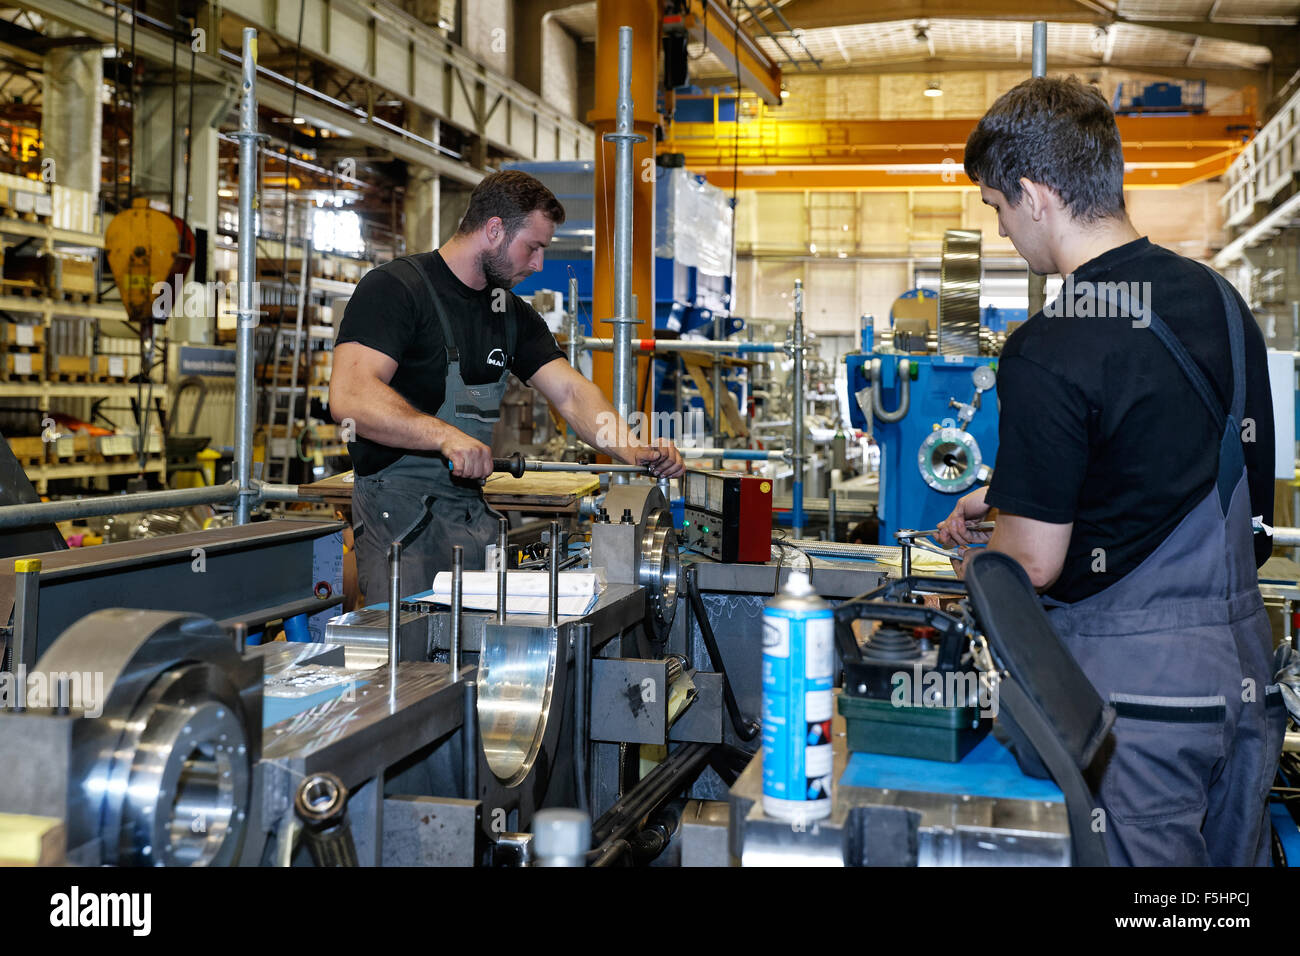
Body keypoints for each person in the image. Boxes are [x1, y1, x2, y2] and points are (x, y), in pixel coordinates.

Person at [936, 76, 1284, 866]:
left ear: (1033, 193)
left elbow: (1035, 562)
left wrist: (978, 561)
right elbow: (1212, 476)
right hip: (1242, 683)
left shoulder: (1048, 343)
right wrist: (1021, 491)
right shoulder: (1221, 301)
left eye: (996, 206)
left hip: (1138, 711)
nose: (1001, 231)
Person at [330, 169, 684, 602]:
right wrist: (444, 436)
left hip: (468, 512)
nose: (538, 265)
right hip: (398, 517)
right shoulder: (395, 289)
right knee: (411, 652)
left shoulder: (510, 313)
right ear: (494, 230)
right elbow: (349, 396)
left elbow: (571, 393)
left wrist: (633, 449)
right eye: (533, 247)